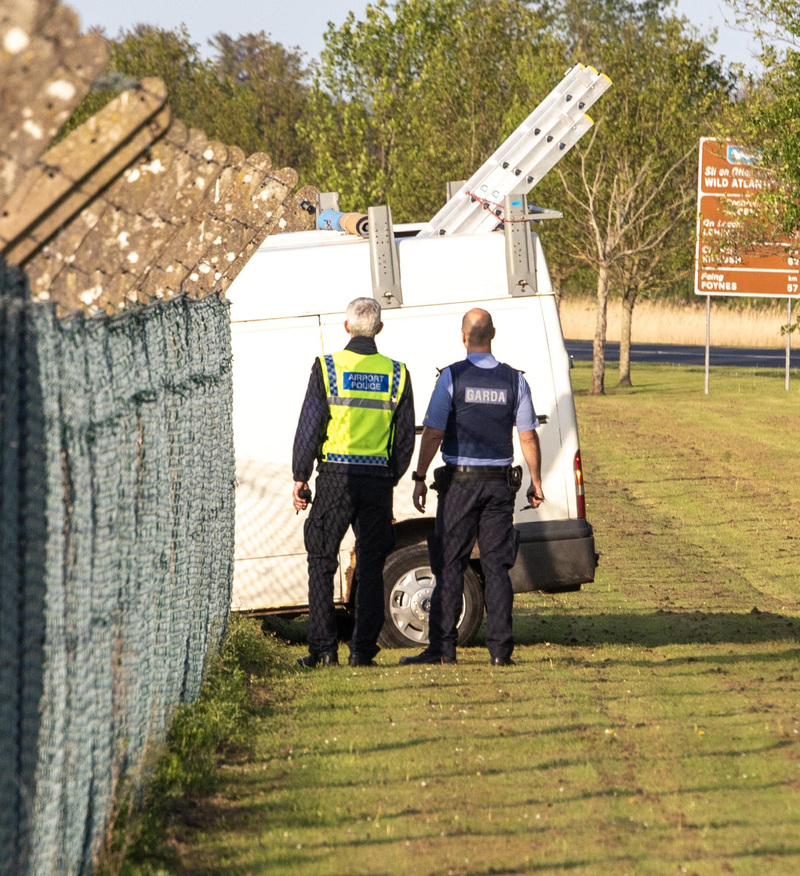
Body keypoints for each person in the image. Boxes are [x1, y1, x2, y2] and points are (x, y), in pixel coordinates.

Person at [400, 308, 543, 667]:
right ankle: (500, 651)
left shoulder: (451, 377)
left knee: (450, 565)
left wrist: (419, 477)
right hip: (498, 488)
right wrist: (536, 481)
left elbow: (433, 431)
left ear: (463, 336)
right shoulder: (515, 381)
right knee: (496, 567)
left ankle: (442, 649)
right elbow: (527, 437)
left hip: (460, 486)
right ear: (492, 334)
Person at [293, 297, 414, 668]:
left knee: (321, 561)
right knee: (372, 565)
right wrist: (389, 476)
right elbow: (405, 438)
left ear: (347, 328)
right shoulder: (397, 373)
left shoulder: (327, 368)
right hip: (377, 479)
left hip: (334, 478)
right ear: (379, 329)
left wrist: (300, 476)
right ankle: (362, 652)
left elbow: (310, 426)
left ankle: (323, 650)